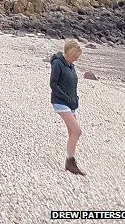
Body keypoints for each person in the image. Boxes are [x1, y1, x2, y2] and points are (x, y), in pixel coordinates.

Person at [50, 38, 85, 175]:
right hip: (60, 102)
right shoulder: (58, 63)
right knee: (77, 131)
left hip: (71, 103)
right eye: (75, 56)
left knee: (72, 133)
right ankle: (70, 161)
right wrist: (66, 97)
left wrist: (75, 99)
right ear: (69, 52)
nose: (76, 59)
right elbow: (53, 84)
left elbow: (72, 84)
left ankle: (70, 161)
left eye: (77, 57)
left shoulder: (71, 65)